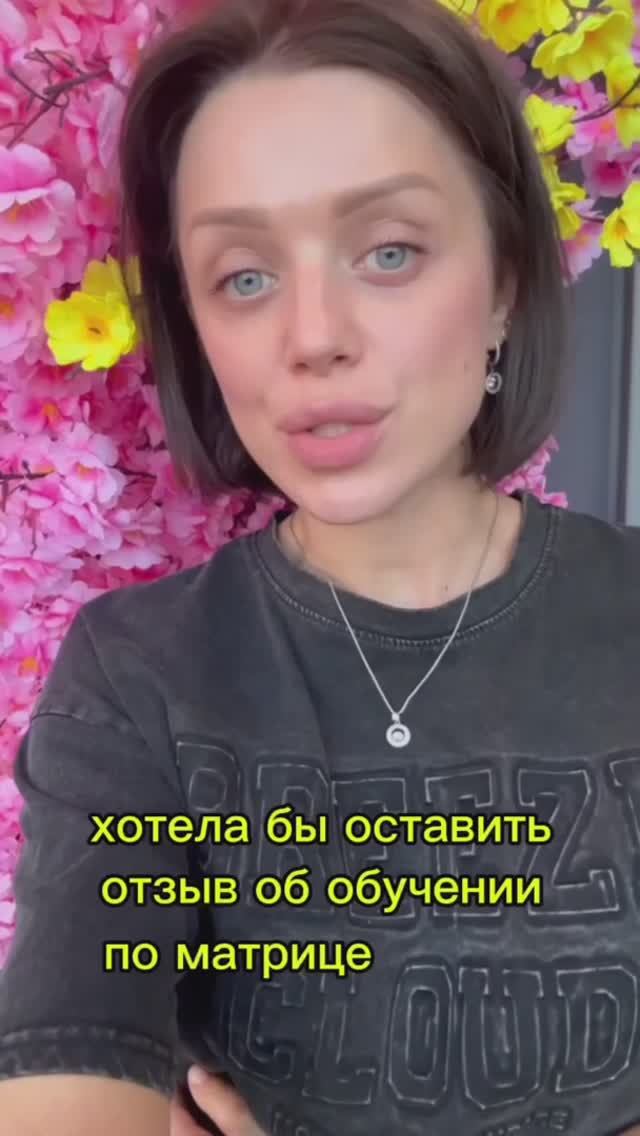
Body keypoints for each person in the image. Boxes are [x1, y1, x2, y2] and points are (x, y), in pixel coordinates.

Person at [0, 0, 639, 1133]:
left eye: (389, 252)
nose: (311, 337)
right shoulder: (140, 675)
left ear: (502, 281)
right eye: (243, 277)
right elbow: (66, 1072)